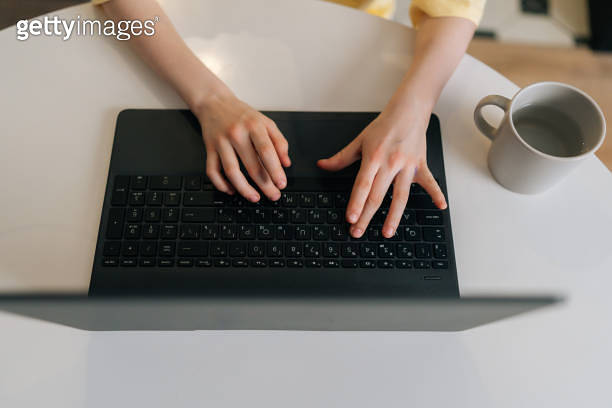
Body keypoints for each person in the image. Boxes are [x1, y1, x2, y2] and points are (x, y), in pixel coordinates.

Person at [95, 0, 485, 239]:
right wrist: (209, 99)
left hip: (351, 37)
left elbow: (453, 7)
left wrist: (414, 109)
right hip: (185, 28)